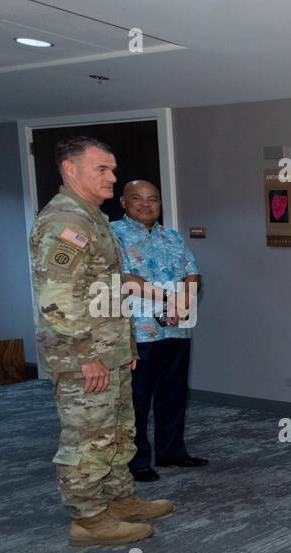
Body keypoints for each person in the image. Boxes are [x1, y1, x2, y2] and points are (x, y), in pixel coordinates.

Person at [29, 137, 172, 546]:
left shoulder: (92, 218)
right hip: (85, 356)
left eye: (113, 169)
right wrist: (85, 356)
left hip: (109, 350)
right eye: (102, 170)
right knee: (88, 436)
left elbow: (103, 288)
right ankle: (88, 520)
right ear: (70, 170)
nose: (113, 177)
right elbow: (57, 300)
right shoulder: (65, 223)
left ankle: (118, 500)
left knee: (117, 431)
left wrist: (123, 346)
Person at [112, 180, 205, 482]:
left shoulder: (172, 236)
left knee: (174, 394)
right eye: (137, 198)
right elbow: (124, 278)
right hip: (139, 331)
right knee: (137, 399)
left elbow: (192, 271)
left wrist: (186, 299)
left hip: (176, 330)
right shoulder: (113, 235)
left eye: (153, 199)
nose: (146, 204)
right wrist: (170, 298)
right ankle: (136, 461)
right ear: (123, 202)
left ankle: (171, 451)